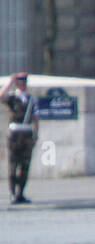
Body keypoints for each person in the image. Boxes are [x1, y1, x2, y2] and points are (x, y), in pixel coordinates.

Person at [2, 72, 37, 204]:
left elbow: (35, 118)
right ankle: (12, 193)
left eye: (24, 83)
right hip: (15, 134)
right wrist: (9, 82)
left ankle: (21, 193)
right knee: (13, 165)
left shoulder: (31, 99)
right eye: (20, 83)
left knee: (25, 166)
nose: (22, 85)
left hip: (27, 134)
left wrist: (36, 134)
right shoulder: (12, 97)